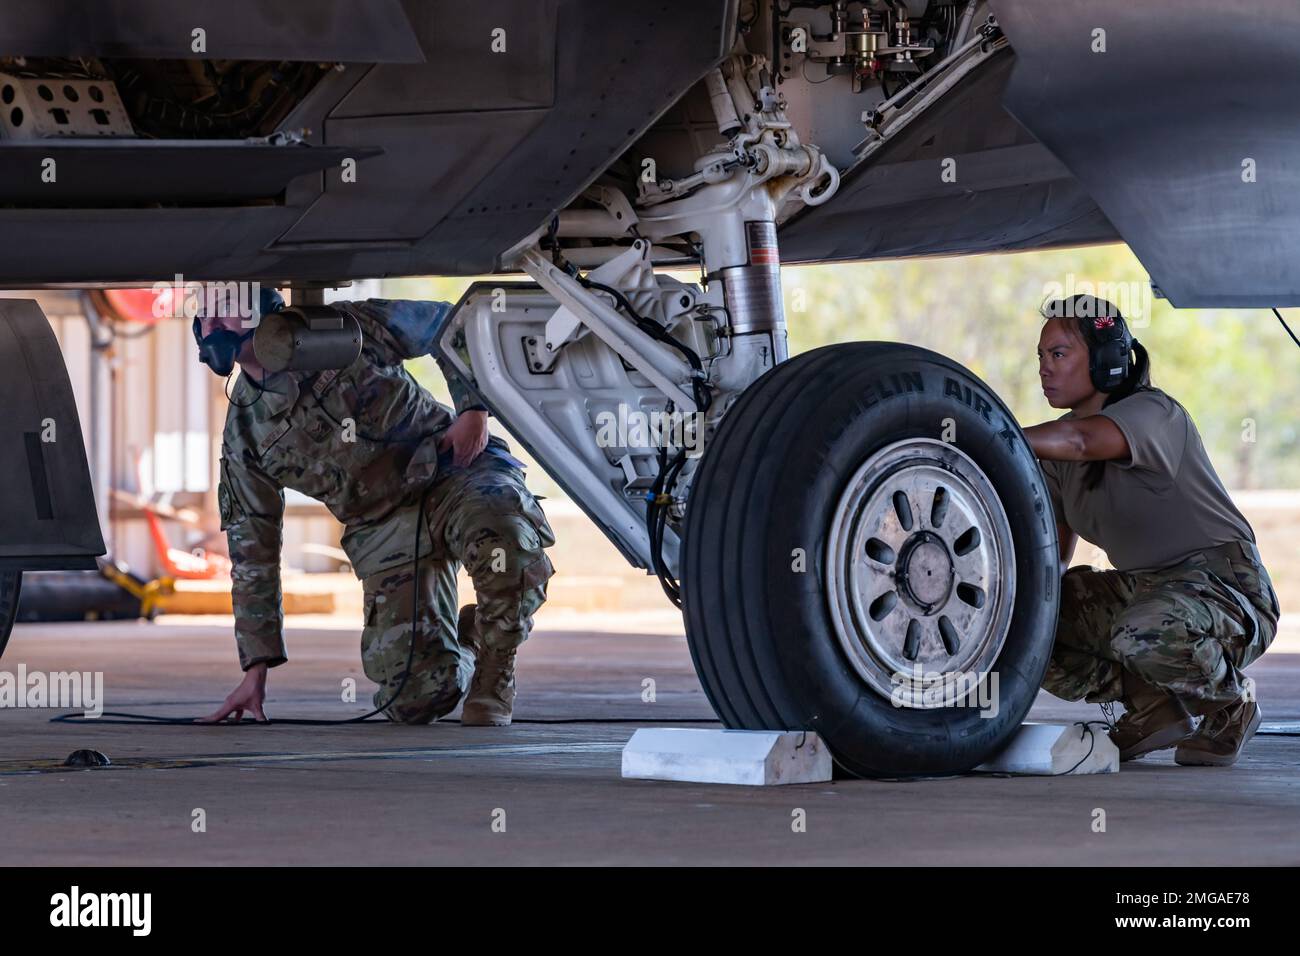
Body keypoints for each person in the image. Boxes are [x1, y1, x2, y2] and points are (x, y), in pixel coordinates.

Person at [193, 287, 554, 727]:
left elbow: (447, 322)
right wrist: (255, 669)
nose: (211, 323)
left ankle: (496, 675)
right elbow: (254, 554)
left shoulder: (344, 331)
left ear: (269, 316)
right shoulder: (244, 436)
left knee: (506, 542)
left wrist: (472, 409)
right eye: (204, 313)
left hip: (452, 471)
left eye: (226, 311)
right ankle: (470, 640)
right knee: (416, 700)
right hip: (385, 529)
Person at [1024, 294, 1280, 766]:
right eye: (1041, 356)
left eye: (1058, 354)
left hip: (1225, 588)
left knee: (1142, 630)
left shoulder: (1153, 414)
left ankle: (1230, 703)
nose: (1044, 368)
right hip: (1148, 593)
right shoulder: (1058, 452)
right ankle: (1153, 707)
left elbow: (1084, 441)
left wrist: (991, 431)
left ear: (1103, 361)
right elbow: (1052, 557)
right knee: (1030, 617)